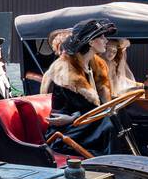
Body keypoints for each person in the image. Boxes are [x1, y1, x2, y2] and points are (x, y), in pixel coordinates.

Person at [40, 18, 118, 156]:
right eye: (102, 36)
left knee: (121, 117)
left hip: (86, 122)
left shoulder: (97, 65)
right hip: (65, 132)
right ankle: (111, 166)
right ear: (91, 42)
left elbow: (100, 107)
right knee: (108, 124)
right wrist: (72, 119)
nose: (106, 40)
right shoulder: (65, 72)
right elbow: (87, 108)